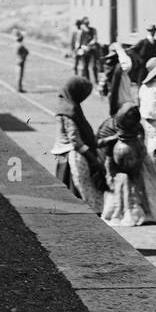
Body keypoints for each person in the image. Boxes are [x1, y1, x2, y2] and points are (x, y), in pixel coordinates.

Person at [96, 103, 156, 226]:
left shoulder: (136, 124)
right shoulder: (109, 125)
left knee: (141, 186)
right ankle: (122, 212)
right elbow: (98, 143)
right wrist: (113, 139)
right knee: (121, 187)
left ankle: (142, 211)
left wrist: (136, 143)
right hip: (114, 160)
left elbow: (142, 139)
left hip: (137, 159)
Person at [50, 76, 106, 213]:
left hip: (64, 153)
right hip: (71, 154)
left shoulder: (66, 103)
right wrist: (92, 159)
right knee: (77, 185)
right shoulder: (69, 110)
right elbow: (75, 139)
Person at [101, 43, 138, 116]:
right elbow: (126, 65)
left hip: (115, 102)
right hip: (122, 104)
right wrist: (120, 50)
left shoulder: (109, 69)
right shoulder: (119, 70)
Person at [76, 18, 98, 83]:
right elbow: (79, 41)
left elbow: (94, 39)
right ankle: (87, 80)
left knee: (94, 66)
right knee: (85, 66)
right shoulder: (82, 32)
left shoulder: (93, 30)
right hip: (85, 51)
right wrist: (81, 47)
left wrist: (89, 45)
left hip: (92, 50)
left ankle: (96, 80)